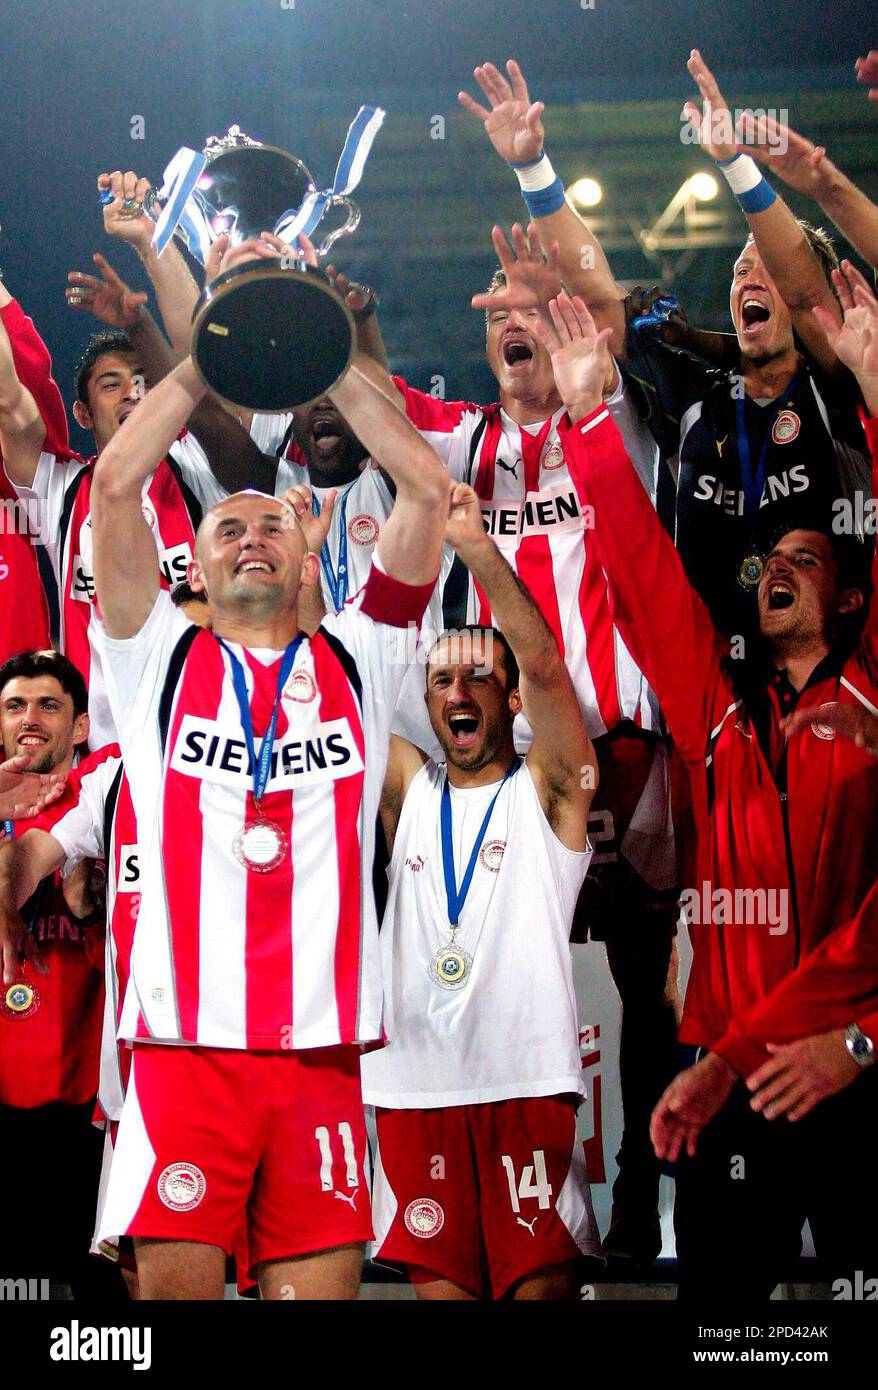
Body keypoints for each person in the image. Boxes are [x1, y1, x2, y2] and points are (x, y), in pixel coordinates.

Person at [86, 235, 449, 1300]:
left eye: (273, 524)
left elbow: (424, 487)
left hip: (323, 1058)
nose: (251, 536)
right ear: (192, 562)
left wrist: (317, 350)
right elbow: (114, 484)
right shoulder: (156, 658)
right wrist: (210, 352)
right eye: (228, 525)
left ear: (306, 550)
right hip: (186, 1051)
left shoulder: (359, 655)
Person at [538, 276, 878, 1297]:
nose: (775, 566)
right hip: (728, 1082)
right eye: (767, 555)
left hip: (853, 1067)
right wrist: (591, 419)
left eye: (804, 557)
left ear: (851, 593)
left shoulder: (870, 698)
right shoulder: (717, 716)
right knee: (723, 1327)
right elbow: (641, 573)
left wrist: (869, 381)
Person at [467, 56, 872, 645]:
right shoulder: (693, 393)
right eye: (739, 273)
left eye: (768, 271)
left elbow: (809, 295)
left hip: (836, 662)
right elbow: (603, 306)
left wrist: (736, 166)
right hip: (714, 685)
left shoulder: (838, 385)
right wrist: (533, 170)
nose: (749, 283)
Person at [362, 478, 600, 1300]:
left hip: (527, 1083)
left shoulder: (552, 791)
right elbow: (333, 693)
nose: (457, 694)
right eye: (440, 684)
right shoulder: (404, 787)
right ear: (425, 705)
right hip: (411, 1086)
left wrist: (476, 551)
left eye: (476, 679)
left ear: (507, 698)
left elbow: (543, 660)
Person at [1, 213, 276, 749]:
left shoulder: (201, 472)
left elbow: (202, 360)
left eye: (143, 382)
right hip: (97, 760)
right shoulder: (60, 493)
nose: (132, 394)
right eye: (112, 385)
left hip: (211, 742)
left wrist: (153, 244)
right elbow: (10, 402)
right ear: (82, 413)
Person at [0, 649, 125, 1298]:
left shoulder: (106, 785)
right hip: (6, 1096)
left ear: (80, 726)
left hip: (86, 1103)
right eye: (15, 705)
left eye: (49, 705)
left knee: (100, 1302)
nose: (30, 718)